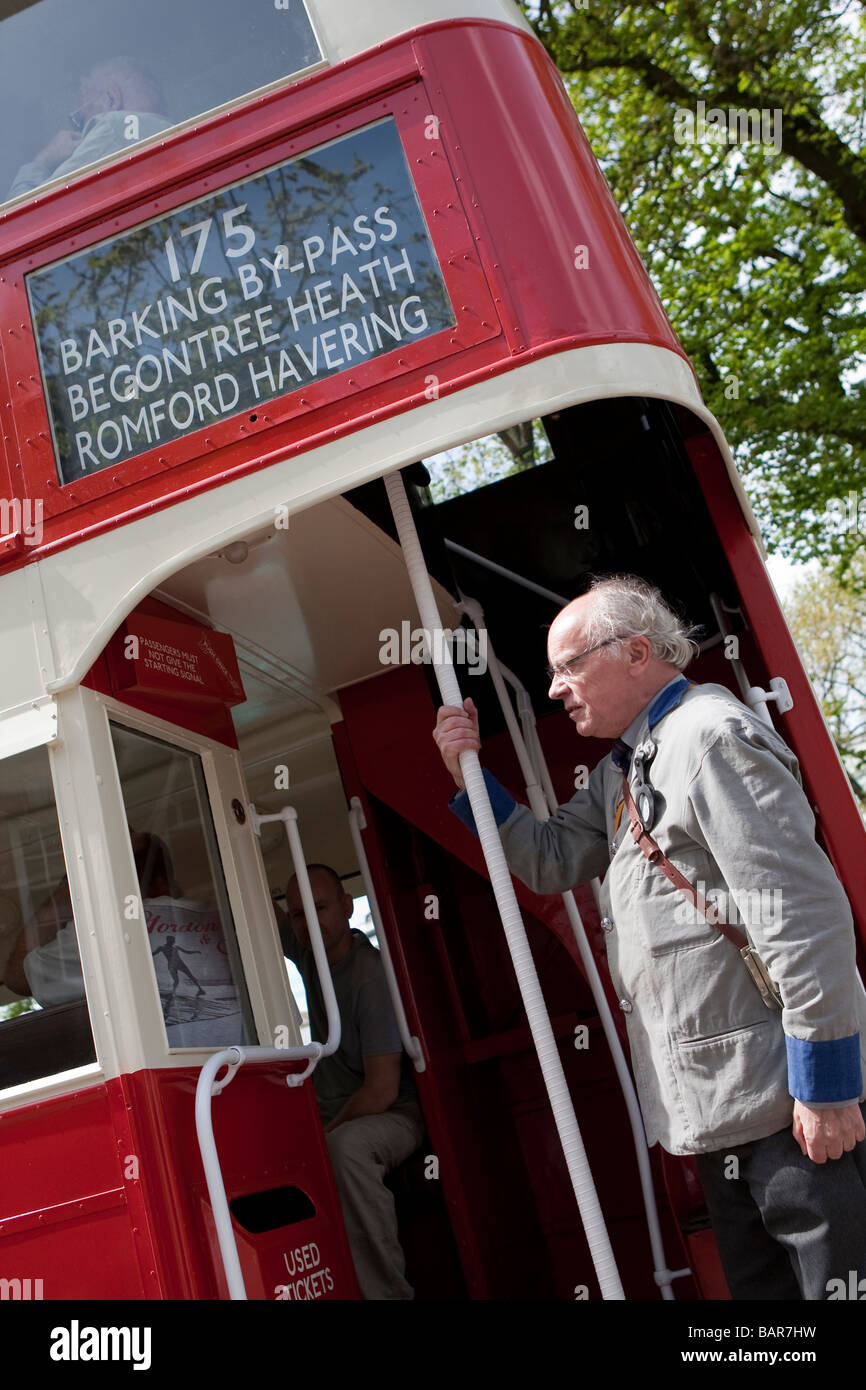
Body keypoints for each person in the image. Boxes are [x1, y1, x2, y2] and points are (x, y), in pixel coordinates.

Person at [433, 573, 866, 1301]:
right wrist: (468, 774)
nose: (556, 690)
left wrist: (826, 1088)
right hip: (725, 1113)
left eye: (570, 666)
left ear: (637, 652)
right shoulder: (629, 765)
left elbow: (799, 912)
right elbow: (549, 858)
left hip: (788, 1106)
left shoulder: (707, 734)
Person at [277, 864, 424, 1300]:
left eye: (320, 908)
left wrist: (324, 1134)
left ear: (348, 906)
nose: (309, 923)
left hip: (394, 1113)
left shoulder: (368, 975)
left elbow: (381, 1091)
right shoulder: (310, 954)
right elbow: (250, 907)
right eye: (300, 914)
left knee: (345, 1150)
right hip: (338, 1109)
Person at [8, 57, 171, 200]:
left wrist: (43, 159)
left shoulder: (113, 127)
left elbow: (26, 216)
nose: (83, 139)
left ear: (111, 98)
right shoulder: (168, 132)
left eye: (81, 123)